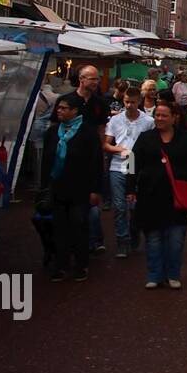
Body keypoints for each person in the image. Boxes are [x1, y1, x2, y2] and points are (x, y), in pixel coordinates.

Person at [127, 101, 187, 289]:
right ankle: (155, 274)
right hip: (150, 196)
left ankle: (173, 273)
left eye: (164, 115)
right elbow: (131, 161)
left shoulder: (185, 139)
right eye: (157, 115)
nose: (159, 119)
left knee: (176, 239)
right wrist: (130, 188)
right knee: (153, 239)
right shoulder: (146, 138)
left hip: (177, 198)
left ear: (174, 117)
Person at [39, 94, 104, 283]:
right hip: (58, 186)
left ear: (75, 111)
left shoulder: (87, 132)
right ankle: (60, 264)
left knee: (78, 224)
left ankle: (81, 264)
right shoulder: (52, 133)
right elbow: (46, 161)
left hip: (80, 187)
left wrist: (95, 189)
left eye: (64, 108)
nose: (59, 111)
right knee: (59, 227)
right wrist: (44, 186)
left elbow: (96, 162)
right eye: (58, 108)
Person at [103, 86, 154, 258]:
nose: (129, 105)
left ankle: (133, 233)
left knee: (134, 207)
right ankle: (122, 241)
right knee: (119, 206)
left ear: (139, 101)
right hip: (118, 165)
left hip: (136, 165)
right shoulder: (115, 120)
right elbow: (106, 143)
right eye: (126, 102)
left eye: (133, 102)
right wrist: (118, 149)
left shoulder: (148, 121)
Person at [75, 65, 112, 255]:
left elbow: (101, 130)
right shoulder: (68, 101)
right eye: (93, 79)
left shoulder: (100, 103)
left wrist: (102, 154)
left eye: (98, 79)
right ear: (82, 79)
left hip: (92, 157)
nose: (96, 82)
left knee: (93, 202)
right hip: (71, 158)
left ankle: (94, 239)